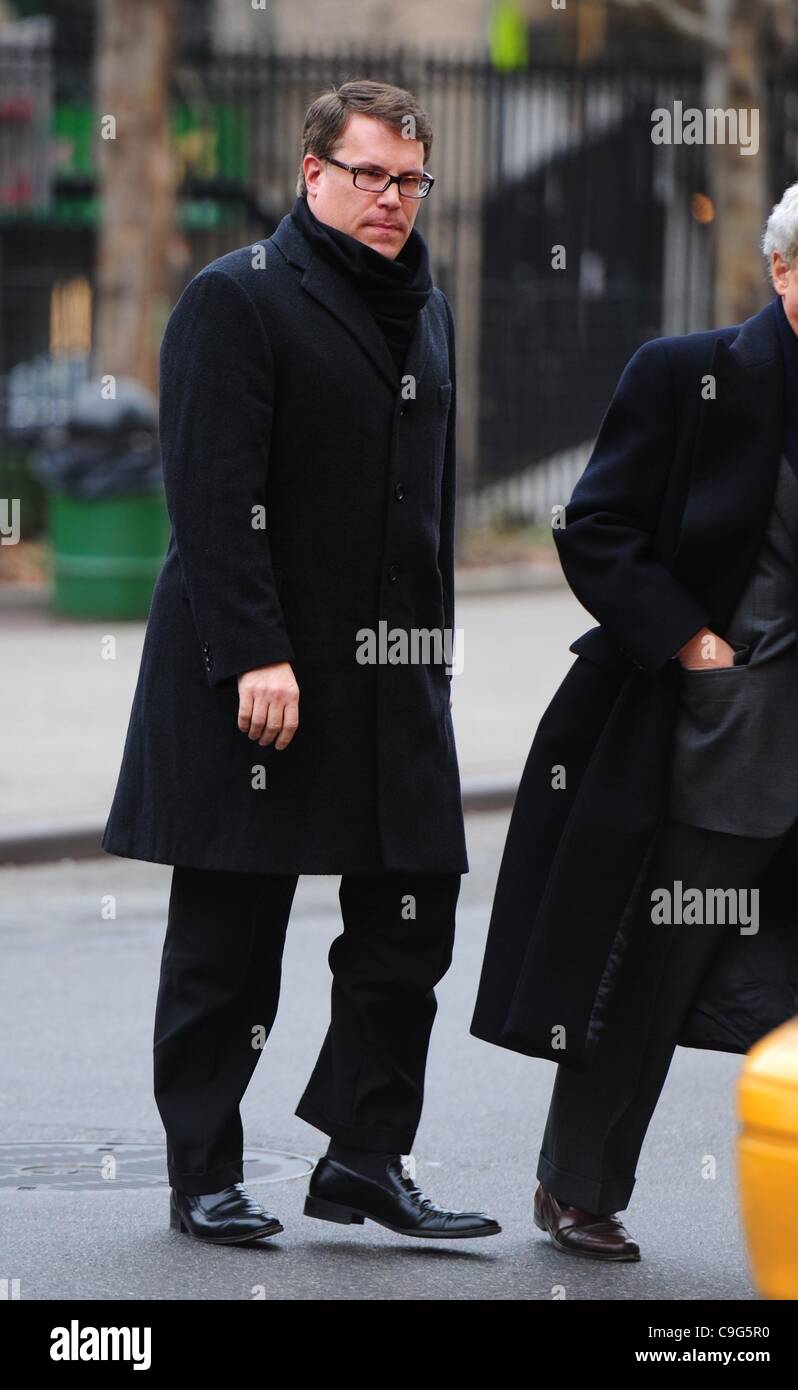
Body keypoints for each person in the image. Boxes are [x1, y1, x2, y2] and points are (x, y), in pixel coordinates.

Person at [101, 78, 500, 1246]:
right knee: (230, 936)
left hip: (394, 676)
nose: (392, 198)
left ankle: (362, 1159)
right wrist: (254, 656)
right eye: (371, 174)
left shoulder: (425, 308)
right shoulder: (237, 298)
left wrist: (434, 652)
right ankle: (203, 1170)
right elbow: (214, 499)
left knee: (412, 916)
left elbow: (425, 505)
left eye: (410, 179)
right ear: (312, 173)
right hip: (264, 677)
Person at [470, 175, 798, 1261]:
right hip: (727, 737)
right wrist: (693, 645)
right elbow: (598, 526)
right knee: (650, 975)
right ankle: (579, 1186)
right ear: (782, 268)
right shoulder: (689, 375)